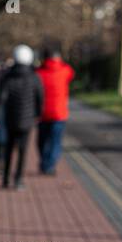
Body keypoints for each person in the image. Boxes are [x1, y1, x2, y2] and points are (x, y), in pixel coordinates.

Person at [0, 44, 43, 189]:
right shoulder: (34, 78)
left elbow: (1, 99)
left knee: (8, 149)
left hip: (10, 119)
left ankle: (6, 179)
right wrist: (38, 114)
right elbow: (40, 98)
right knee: (23, 151)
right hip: (27, 121)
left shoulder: (8, 78)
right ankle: (18, 180)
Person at [36, 47, 75, 175]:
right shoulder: (65, 71)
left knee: (42, 140)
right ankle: (50, 165)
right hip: (59, 113)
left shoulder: (39, 73)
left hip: (43, 112)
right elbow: (71, 74)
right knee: (55, 141)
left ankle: (44, 161)